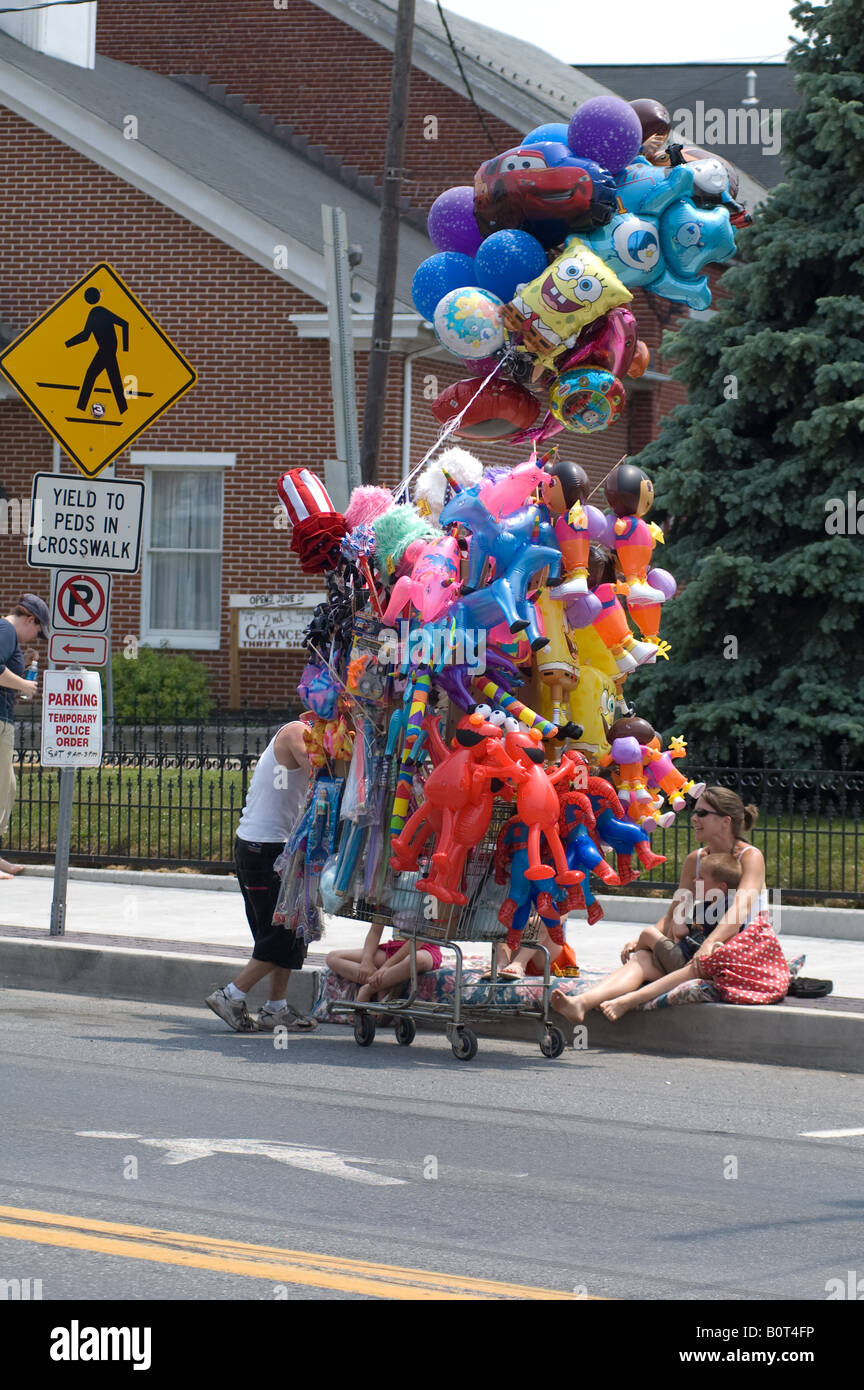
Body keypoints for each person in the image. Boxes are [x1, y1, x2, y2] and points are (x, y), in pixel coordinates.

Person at [550, 786, 767, 1024]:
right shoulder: (696, 860)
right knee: (641, 957)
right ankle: (582, 1002)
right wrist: (648, 938)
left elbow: (740, 909)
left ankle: (616, 1000)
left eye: (702, 813)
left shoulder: (749, 856)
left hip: (733, 951)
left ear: (726, 821)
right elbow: (676, 912)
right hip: (696, 949)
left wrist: (708, 943)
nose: (693, 818)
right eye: (694, 812)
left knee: (651, 953)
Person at [205, 716, 318, 1033]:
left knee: (290, 932)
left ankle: (275, 1008)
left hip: (277, 849)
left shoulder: (308, 735)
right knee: (280, 936)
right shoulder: (297, 733)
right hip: (262, 849)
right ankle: (230, 995)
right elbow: (318, 775)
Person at [598, 853, 741, 1019]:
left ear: (721, 887)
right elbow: (697, 932)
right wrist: (681, 930)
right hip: (685, 959)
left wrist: (681, 933)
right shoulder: (704, 907)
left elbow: (713, 941)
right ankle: (637, 962)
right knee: (645, 954)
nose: (694, 882)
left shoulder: (726, 908)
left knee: (648, 934)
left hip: (691, 965)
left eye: (701, 878)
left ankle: (636, 958)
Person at [0, 595, 48, 879]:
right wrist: (26, 685)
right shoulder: (6, 630)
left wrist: (22, 661)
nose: (37, 637)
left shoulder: (8, 636)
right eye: (38, 631)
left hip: (3, 721)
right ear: (30, 619)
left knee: (8, 787)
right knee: (3, 788)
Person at [325, 923, 443, 1009]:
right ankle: (387, 983)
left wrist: (386, 966)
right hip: (395, 948)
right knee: (333, 957)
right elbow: (375, 931)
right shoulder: (389, 894)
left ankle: (369, 988)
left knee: (417, 959)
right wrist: (367, 961)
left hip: (425, 948)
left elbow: (418, 941)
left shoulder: (426, 895)